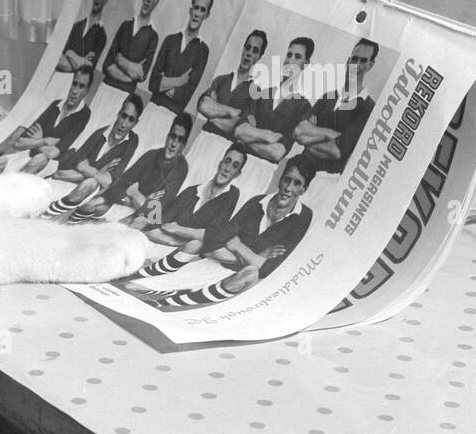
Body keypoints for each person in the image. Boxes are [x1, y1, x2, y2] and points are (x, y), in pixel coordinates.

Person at [126, 157, 315, 308]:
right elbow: (213, 242)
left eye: (297, 183)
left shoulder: (231, 195)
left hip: (228, 267)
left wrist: (238, 247)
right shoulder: (192, 190)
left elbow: (268, 269)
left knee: (250, 272)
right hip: (188, 245)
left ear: (304, 189)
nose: (288, 188)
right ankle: (153, 280)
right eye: (287, 180)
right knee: (143, 230)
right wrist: (257, 254)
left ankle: (175, 300)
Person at [71, 112, 191, 221]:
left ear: (183, 146)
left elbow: (154, 214)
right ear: (167, 137)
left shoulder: (180, 169)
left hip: (142, 218)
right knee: (91, 204)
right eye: (172, 137)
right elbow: (120, 184)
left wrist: (134, 194)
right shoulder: (151, 155)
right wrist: (128, 198)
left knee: (103, 211)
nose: (174, 144)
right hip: (128, 204)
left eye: (180, 140)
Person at [0, 64, 94, 172]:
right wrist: (44, 141)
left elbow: (53, 153)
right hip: (28, 153)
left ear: (87, 91)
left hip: (48, 163)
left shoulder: (83, 115)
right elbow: (19, 142)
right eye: (74, 83)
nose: (74, 90)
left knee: (39, 159)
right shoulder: (56, 105)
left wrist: (36, 141)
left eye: (81, 86)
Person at [43, 94, 142, 216]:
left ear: (135, 123)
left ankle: (48, 214)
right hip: (70, 175)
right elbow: (70, 167)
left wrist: (87, 169)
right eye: (123, 116)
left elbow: (108, 181)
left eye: (131, 120)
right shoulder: (99, 134)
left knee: (91, 183)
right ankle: (48, 214)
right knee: (91, 182)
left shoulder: (132, 141)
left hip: (94, 189)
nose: (124, 124)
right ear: (118, 114)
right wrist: (99, 172)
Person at [292, 37, 379, 173]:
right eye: (354, 59)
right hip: (300, 167)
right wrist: (332, 135)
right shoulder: (328, 97)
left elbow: (337, 151)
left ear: (370, 65)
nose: (356, 65)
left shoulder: (368, 109)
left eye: (363, 61)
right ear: (348, 61)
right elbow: (298, 132)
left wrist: (312, 134)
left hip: (327, 179)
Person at [131, 143, 245, 242]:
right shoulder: (192, 191)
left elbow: (211, 234)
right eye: (227, 161)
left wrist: (180, 230)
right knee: (141, 222)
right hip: (167, 240)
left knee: (195, 245)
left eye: (235, 166)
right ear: (220, 164)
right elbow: (162, 220)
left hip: (189, 247)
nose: (228, 168)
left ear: (237, 174)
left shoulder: (231, 195)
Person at [234, 35, 316, 162]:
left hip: (264, 170)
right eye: (289, 55)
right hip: (239, 160)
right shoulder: (263, 94)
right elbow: (239, 131)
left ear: (305, 65)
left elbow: (277, 153)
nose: (290, 61)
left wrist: (252, 134)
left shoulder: (303, 107)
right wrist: (270, 137)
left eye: (297, 57)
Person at [148, 0, 213, 113]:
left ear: (207, 15)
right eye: (196, 8)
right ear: (190, 10)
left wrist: (163, 83)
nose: (197, 13)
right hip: (151, 107)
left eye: (202, 10)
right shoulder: (170, 40)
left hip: (172, 115)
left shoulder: (202, 51)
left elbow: (185, 96)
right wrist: (179, 81)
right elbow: (152, 83)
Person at [196, 30, 267, 138]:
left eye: (255, 51)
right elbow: (204, 106)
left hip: (226, 145)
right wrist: (237, 113)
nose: (249, 53)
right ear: (243, 49)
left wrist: (215, 111)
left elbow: (244, 127)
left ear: (259, 56)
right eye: (248, 47)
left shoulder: (255, 92)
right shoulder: (220, 80)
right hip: (203, 136)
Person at [101, 0, 162, 92]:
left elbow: (141, 74)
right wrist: (128, 76)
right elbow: (107, 64)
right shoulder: (126, 25)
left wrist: (119, 59)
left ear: (157, 2)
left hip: (125, 94)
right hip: (105, 87)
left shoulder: (153, 36)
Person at [58, 0, 112, 73]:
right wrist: (81, 60)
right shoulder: (77, 26)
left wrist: (70, 53)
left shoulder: (101, 36)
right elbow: (59, 58)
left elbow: (87, 69)